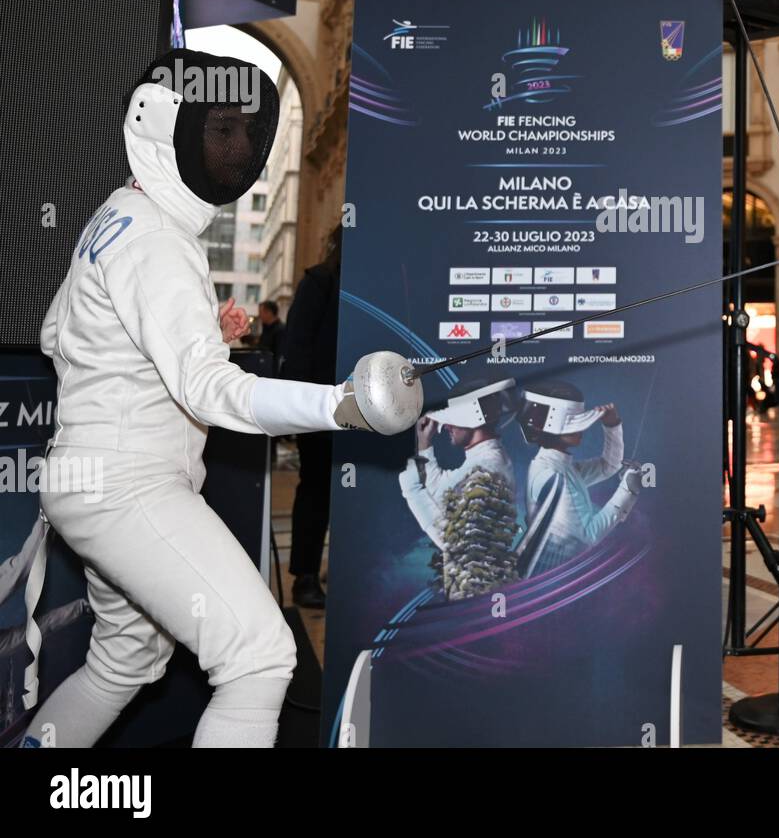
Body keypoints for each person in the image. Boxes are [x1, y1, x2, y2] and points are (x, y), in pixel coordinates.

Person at [27, 49, 420, 749]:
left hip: (86, 477)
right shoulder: (156, 242)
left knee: (123, 661)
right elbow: (209, 391)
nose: (240, 149)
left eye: (245, 131)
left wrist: (178, 335)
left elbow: (58, 331)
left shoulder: (118, 216)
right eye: (220, 132)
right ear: (161, 126)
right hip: (126, 486)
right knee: (260, 656)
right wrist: (339, 406)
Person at [398, 377, 519, 600]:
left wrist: (412, 486)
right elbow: (439, 489)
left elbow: (456, 541)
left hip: (477, 591)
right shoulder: (483, 460)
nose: (447, 427)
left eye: (453, 419)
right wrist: (424, 447)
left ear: (472, 417)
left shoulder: (485, 467)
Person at [280, 230, 342, 609]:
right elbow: (298, 346)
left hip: (368, 405)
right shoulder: (320, 280)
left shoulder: (381, 281)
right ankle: (304, 577)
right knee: (316, 489)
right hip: (321, 406)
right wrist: (299, 408)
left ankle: (340, 569)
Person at [519, 382, 640, 573]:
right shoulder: (552, 475)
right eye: (574, 423)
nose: (582, 429)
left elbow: (608, 466)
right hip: (552, 579)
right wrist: (628, 490)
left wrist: (612, 426)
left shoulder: (557, 467)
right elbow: (590, 535)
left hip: (560, 574)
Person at [257, 300, 284, 368]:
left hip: (272, 371)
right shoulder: (266, 328)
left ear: (269, 312)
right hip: (264, 366)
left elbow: (278, 356)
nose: (259, 315)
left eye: (260, 312)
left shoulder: (280, 330)